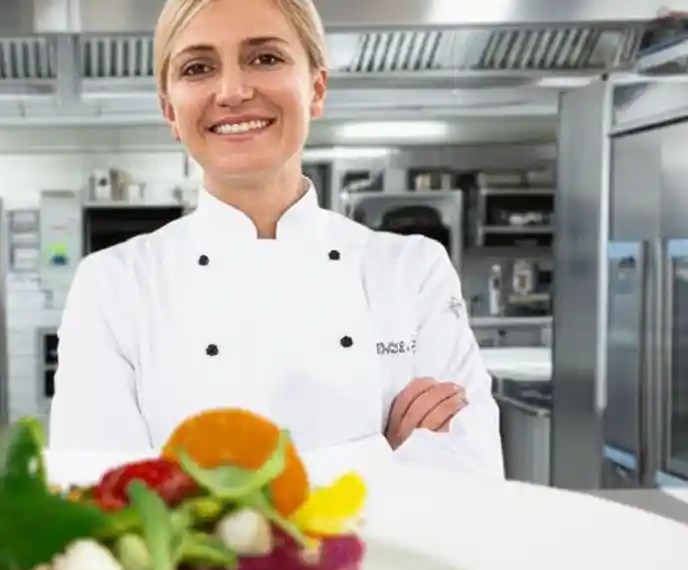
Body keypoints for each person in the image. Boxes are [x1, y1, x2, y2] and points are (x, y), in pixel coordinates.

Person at [47, 0, 504, 479]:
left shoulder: (411, 271)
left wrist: (196, 481)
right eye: (198, 68)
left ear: (316, 88)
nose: (233, 91)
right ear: (170, 109)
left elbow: (469, 482)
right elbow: (99, 493)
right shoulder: (114, 285)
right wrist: (378, 453)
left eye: (264, 58)